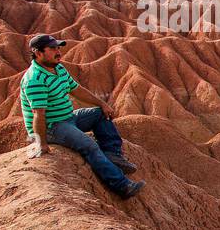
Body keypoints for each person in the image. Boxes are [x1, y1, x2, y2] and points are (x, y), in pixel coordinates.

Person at [21, 34, 145, 199]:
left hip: (69, 118)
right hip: (52, 127)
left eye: (58, 47)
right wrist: (41, 142)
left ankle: (112, 155)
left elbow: (76, 89)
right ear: (38, 53)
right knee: (89, 145)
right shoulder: (35, 79)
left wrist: (102, 104)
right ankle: (122, 186)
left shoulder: (58, 68)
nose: (58, 52)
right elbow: (38, 114)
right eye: (53, 49)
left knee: (101, 114)